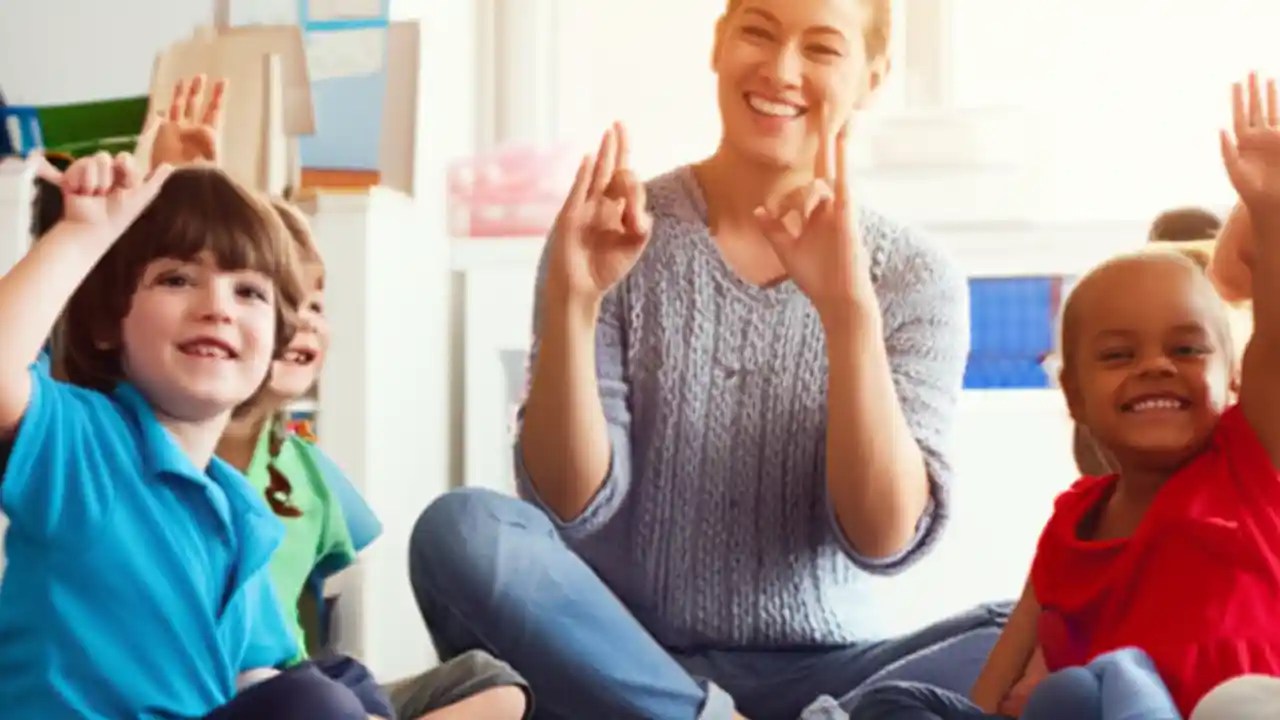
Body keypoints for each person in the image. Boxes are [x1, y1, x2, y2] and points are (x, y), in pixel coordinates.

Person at [408, 1, 1009, 718]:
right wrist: (574, 300)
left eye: (821, 48)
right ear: (719, 43)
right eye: (758, 31)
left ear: (871, 77)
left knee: (1021, 630)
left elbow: (882, 538)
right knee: (461, 530)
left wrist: (848, 311)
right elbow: (568, 504)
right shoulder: (615, 229)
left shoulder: (915, 276)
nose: (781, 70)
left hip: (827, 673)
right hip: (619, 653)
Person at [845, 71, 1280, 720]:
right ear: (1072, 394)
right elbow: (997, 678)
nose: (1156, 367)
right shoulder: (1072, 526)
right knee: (914, 702)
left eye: (1187, 349)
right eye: (1119, 355)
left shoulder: (1247, 467)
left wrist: (1270, 213)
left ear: (1234, 379)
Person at [0, 151, 310, 716]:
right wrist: (81, 233)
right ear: (105, 323)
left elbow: (252, 674)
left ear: (275, 347)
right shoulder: (84, 443)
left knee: (463, 682)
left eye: (249, 292)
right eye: (177, 279)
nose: (217, 308)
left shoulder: (243, 514)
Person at [215, 200, 531, 720]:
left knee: (492, 683)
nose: (305, 322)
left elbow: (342, 585)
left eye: (316, 306)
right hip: (251, 693)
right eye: (283, 300)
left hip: (308, 681)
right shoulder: (188, 447)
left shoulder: (305, 468)